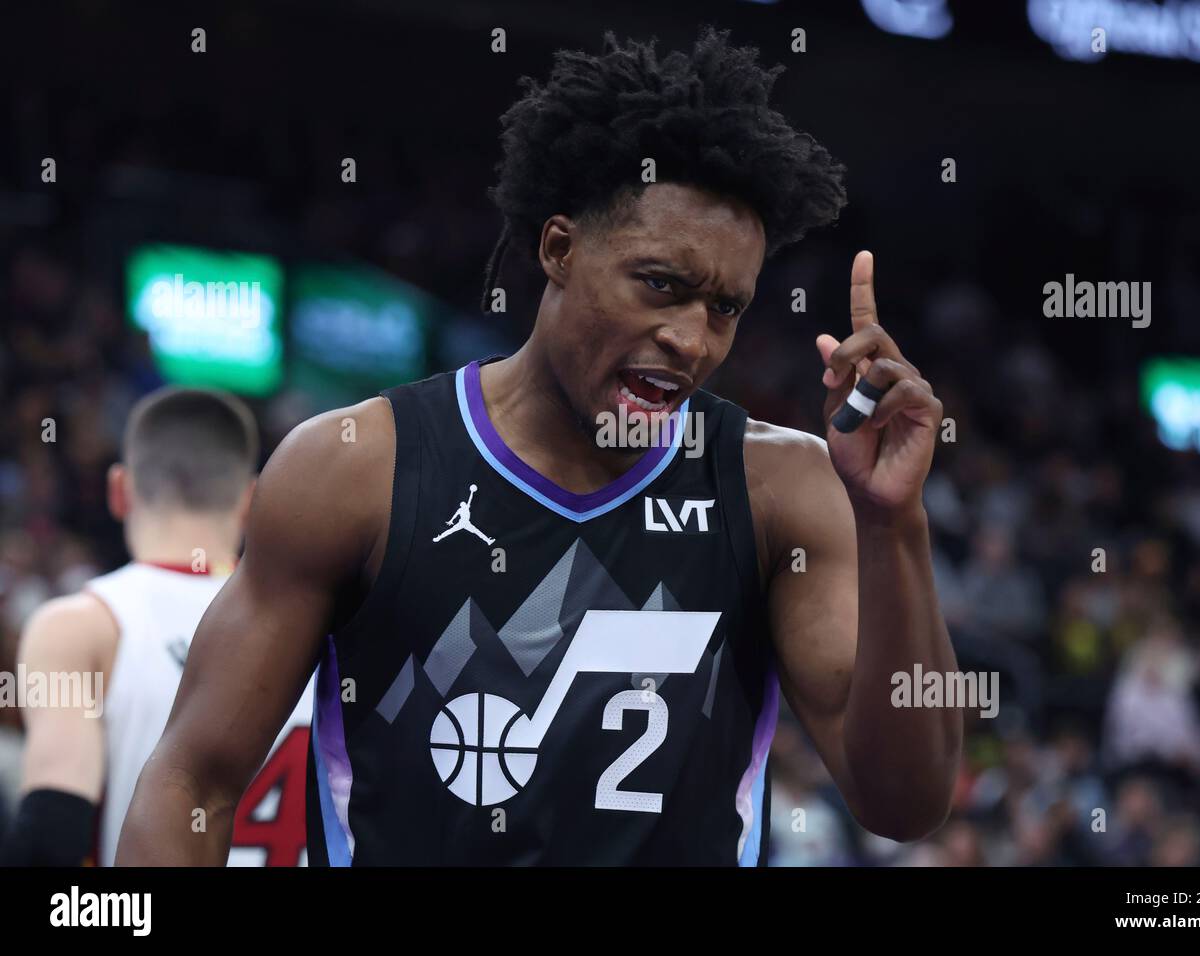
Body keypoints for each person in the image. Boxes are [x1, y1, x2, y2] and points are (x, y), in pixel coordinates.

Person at [118, 27, 960, 866]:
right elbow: (191, 782)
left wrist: (894, 524)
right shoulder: (353, 468)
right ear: (559, 249)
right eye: (660, 284)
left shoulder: (782, 487)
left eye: (725, 308)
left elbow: (904, 802)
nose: (691, 339)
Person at [0, 387, 313, 866]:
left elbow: (51, 833)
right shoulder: (318, 632)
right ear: (251, 499)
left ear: (119, 490)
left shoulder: (82, 626)